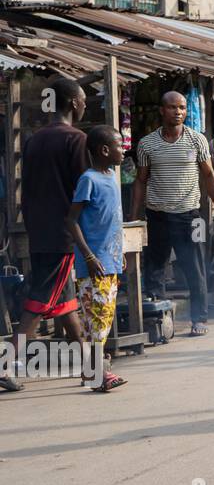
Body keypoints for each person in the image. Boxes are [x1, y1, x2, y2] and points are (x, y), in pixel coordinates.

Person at [1, 78, 90, 393]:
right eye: (82, 100)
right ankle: (6, 364)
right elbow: (84, 191)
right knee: (39, 301)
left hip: (38, 230)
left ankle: (91, 368)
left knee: (64, 301)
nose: (84, 105)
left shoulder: (34, 139)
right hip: (62, 233)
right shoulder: (76, 139)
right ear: (73, 103)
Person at [132, 91, 214, 337]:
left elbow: (209, 175)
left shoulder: (197, 140)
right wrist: (133, 218)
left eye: (182, 108)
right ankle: (159, 322)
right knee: (155, 270)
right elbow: (141, 180)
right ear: (162, 110)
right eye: (173, 107)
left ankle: (199, 319)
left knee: (195, 267)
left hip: (191, 217)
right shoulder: (146, 144)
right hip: (158, 216)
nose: (178, 112)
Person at [65, 126, 127, 392]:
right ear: (104, 150)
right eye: (119, 145)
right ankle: (98, 374)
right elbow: (71, 221)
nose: (123, 150)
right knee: (97, 318)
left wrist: (119, 253)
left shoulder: (111, 175)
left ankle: (92, 370)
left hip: (110, 261)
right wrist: (89, 256)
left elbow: (112, 220)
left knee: (103, 317)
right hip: (94, 264)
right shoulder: (88, 180)